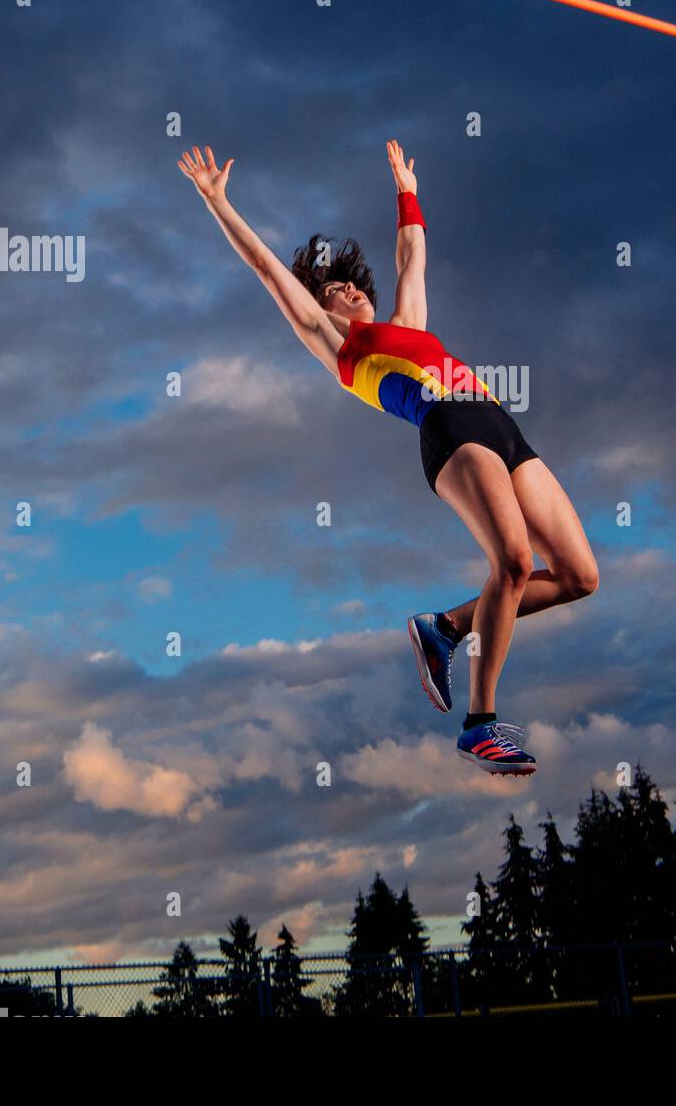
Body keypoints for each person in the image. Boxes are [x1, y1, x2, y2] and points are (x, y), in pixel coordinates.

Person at [178, 142, 598, 775]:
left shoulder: (411, 324)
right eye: (334, 290)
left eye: (351, 283)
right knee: (512, 561)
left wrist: (406, 189)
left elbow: (411, 256)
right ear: (320, 307)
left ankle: (446, 627)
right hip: (450, 428)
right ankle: (479, 727)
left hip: (500, 424)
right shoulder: (337, 347)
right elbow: (270, 272)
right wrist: (218, 203)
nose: (348, 289)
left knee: (578, 575)